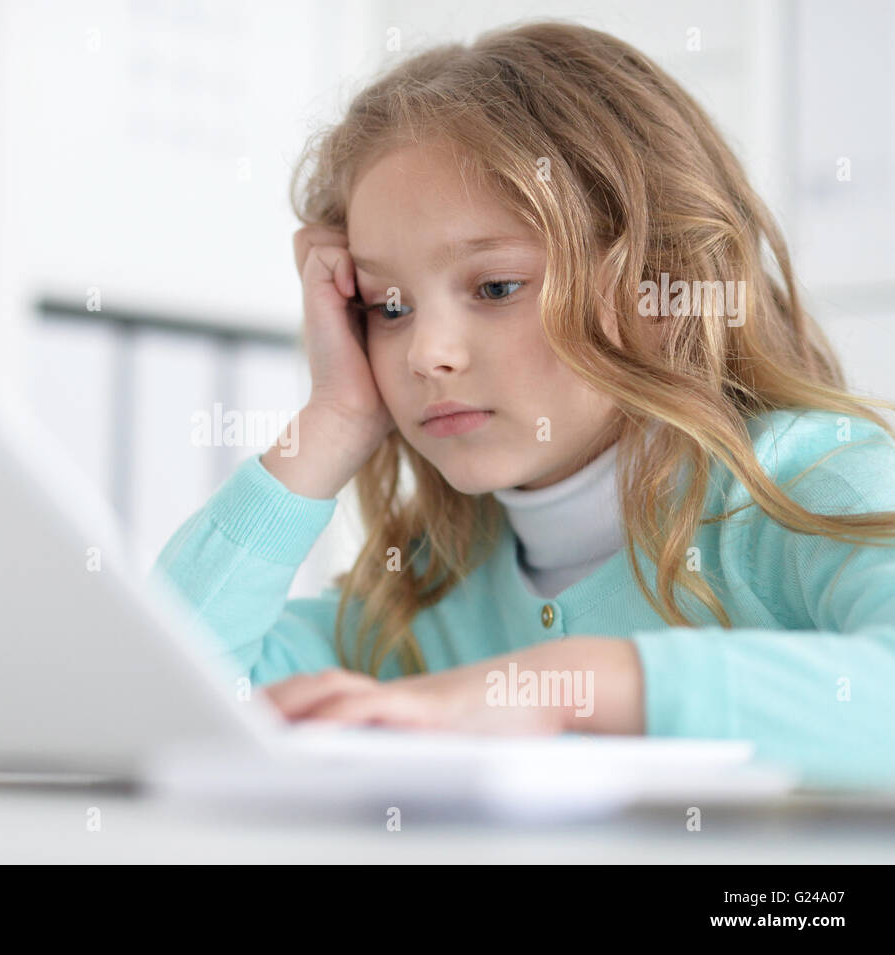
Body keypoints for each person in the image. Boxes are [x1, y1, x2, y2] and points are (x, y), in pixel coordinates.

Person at [148, 22, 895, 788]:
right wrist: (334, 418)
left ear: (658, 290)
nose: (425, 352)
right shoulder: (422, 598)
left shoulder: (814, 492)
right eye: (388, 305)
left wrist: (566, 687)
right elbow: (154, 707)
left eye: (496, 287)